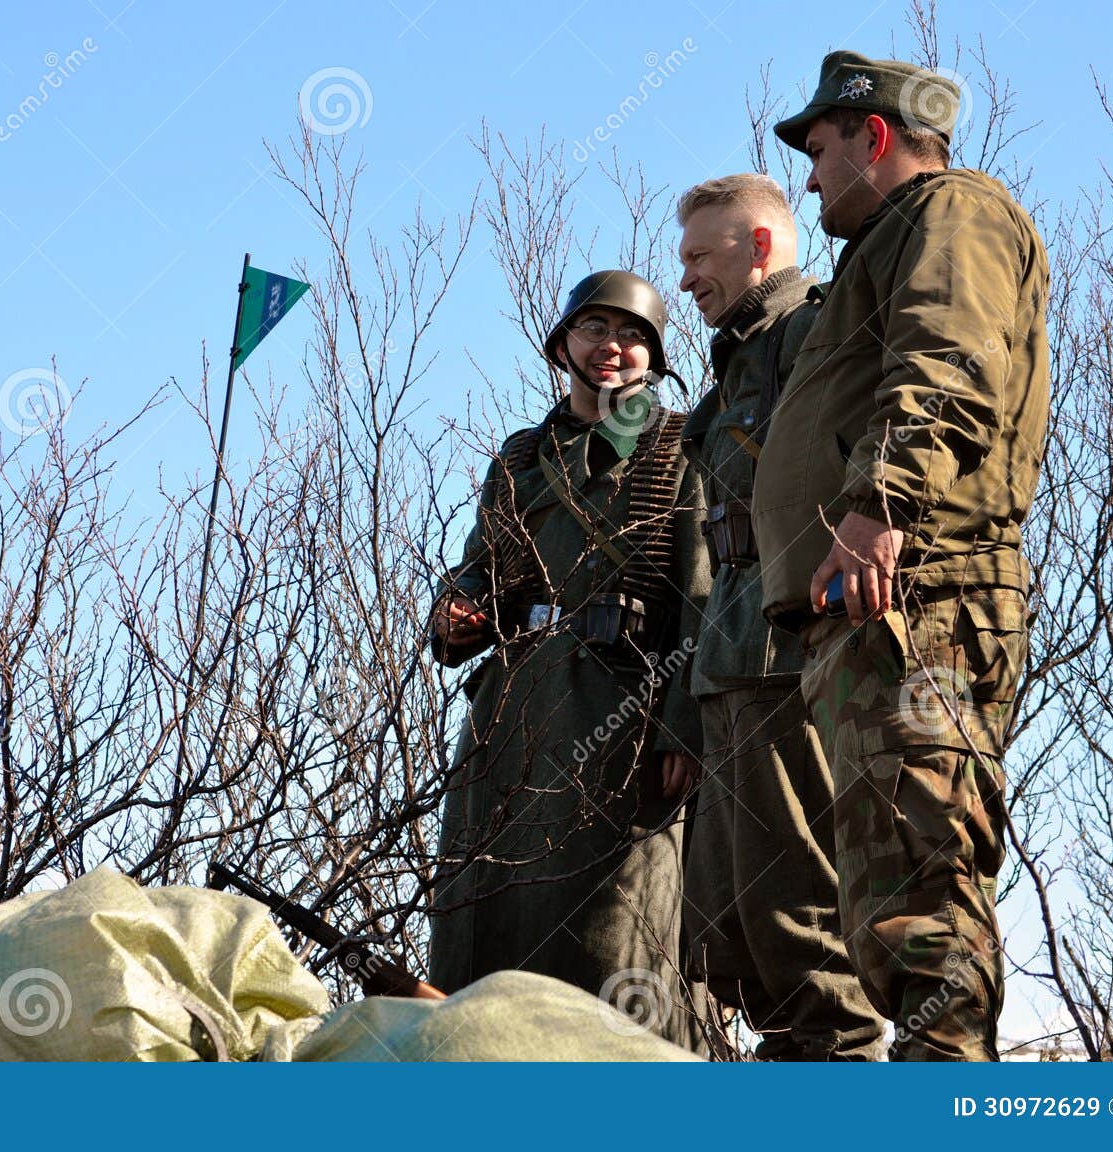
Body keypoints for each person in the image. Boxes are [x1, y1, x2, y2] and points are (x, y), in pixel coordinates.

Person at [753, 51, 1050, 1060]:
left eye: (820, 147)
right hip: (874, 611)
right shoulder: (881, 249)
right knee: (890, 898)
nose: (808, 174)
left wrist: (879, 501)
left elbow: (949, 358)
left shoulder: (953, 213)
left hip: (918, 598)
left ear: (872, 136)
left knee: (922, 887)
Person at [427, 270, 708, 1047]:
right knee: (480, 941)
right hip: (511, 720)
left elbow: (703, 596)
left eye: (631, 334)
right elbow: (477, 566)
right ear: (563, 344)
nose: (611, 347)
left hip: (623, 721)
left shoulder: (681, 447)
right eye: (594, 329)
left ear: (654, 353)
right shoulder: (520, 459)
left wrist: (683, 723)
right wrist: (455, 611)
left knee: (615, 950)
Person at [657, 175, 883, 1059]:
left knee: (805, 923)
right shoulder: (737, 360)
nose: (685, 282)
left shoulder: (813, 332)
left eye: (700, 258)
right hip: (729, 662)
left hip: (794, 659)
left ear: (759, 247)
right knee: (720, 935)